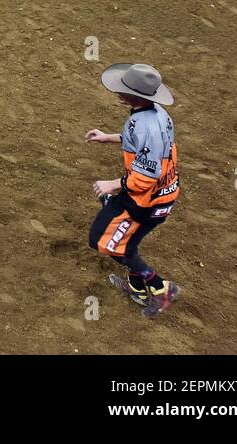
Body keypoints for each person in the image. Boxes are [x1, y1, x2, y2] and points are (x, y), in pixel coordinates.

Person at [84, 63, 181, 317]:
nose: (118, 91)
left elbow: (147, 176)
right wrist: (108, 137)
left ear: (136, 96)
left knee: (102, 240)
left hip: (144, 199)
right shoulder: (157, 113)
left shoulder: (145, 125)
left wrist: (113, 184)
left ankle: (161, 288)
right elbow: (144, 143)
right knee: (128, 243)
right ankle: (138, 288)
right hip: (163, 195)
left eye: (123, 89)